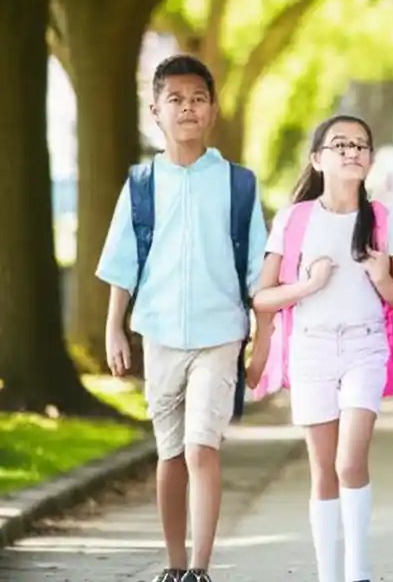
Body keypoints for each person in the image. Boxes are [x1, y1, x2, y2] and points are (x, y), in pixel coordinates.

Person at [97, 55, 268, 582]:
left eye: (198, 98)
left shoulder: (238, 184)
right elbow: (123, 264)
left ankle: (200, 568)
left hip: (220, 334)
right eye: (176, 99)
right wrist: (113, 328)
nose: (188, 108)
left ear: (213, 110)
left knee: (201, 446)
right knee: (170, 452)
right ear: (155, 111)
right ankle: (173, 565)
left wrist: (263, 342)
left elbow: (260, 273)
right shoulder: (142, 185)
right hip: (160, 333)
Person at [247, 114, 393, 582]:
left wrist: (383, 277)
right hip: (311, 351)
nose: (353, 152)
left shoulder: (383, 220)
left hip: (365, 348)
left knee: (351, 461)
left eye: (361, 145)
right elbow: (263, 297)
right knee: (323, 469)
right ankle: (329, 574)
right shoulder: (295, 219)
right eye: (341, 144)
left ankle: (357, 572)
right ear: (318, 158)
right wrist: (307, 286)